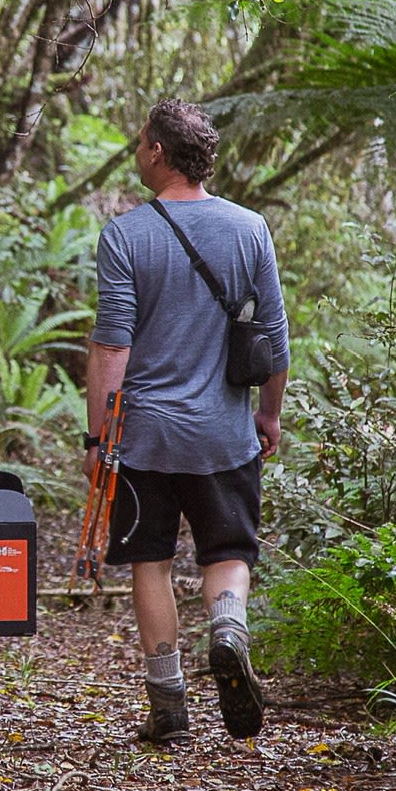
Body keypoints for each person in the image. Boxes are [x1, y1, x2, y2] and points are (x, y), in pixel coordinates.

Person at [85, 99, 289, 745]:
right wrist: (268, 414)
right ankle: (227, 626)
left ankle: (168, 702)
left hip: (144, 437)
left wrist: (99, 437)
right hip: (225, 432)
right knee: (227, 551)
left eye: (140, 139)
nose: (135, 146)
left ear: (156, 152)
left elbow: (112, 346)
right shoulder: (249, 227)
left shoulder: (125, 235)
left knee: (149, 560)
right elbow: (273, 339)